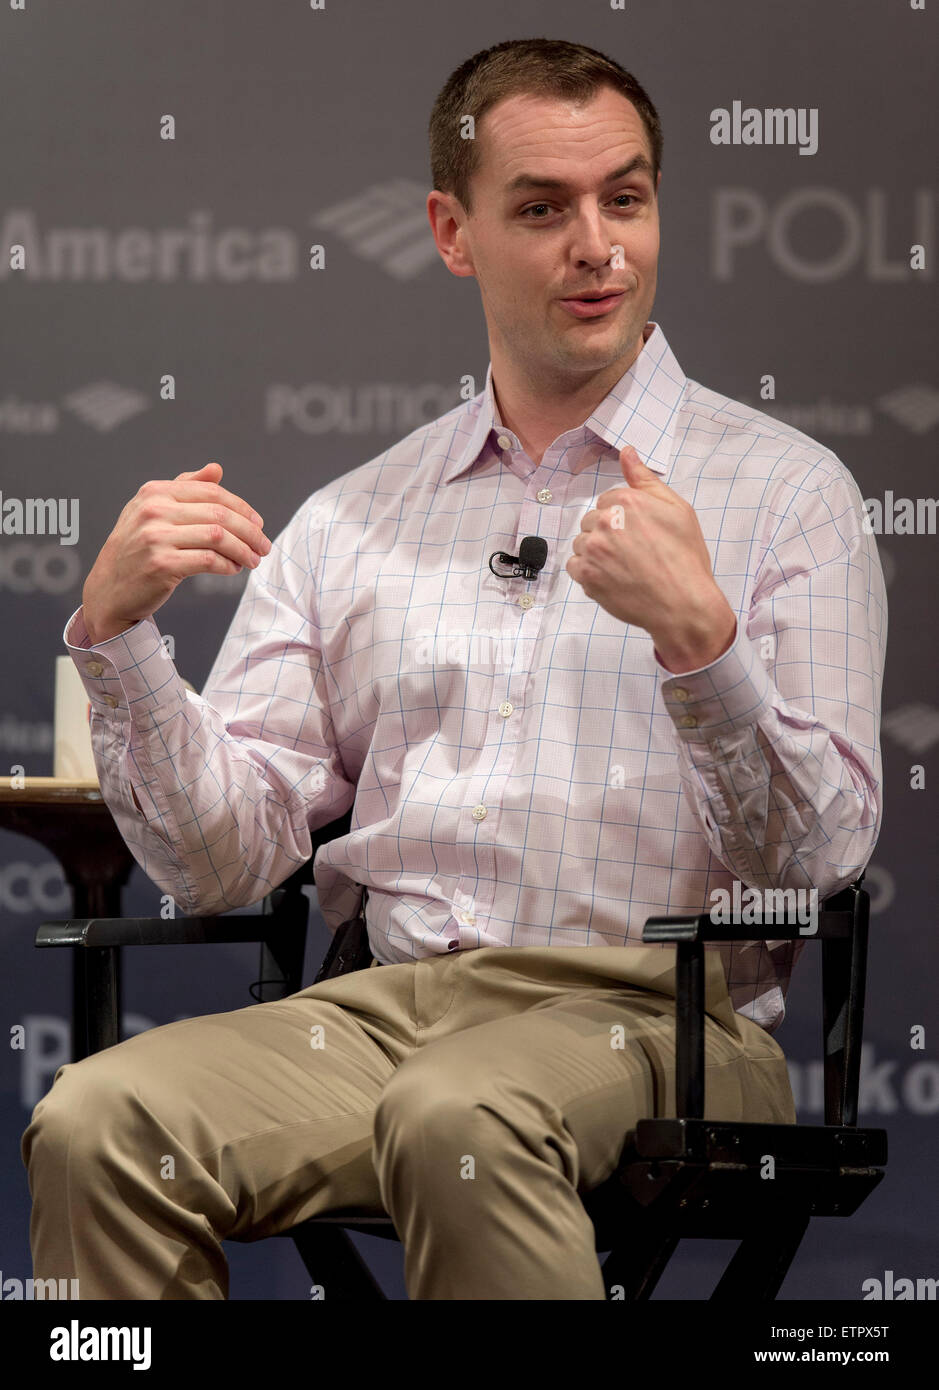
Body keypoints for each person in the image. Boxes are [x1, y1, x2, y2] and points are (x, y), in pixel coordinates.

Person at [21, 37, 886, 1301]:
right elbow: (222, 864)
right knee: (99, 1119)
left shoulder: (787, 493)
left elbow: (816, 859)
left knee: (458, 1112)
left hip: (666, 1024)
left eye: (625, 199)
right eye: (542, 209)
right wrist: (120, 638)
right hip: (386, 1012)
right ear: (451, 231)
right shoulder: (354, 517)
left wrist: (702, 648)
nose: (597, 246)